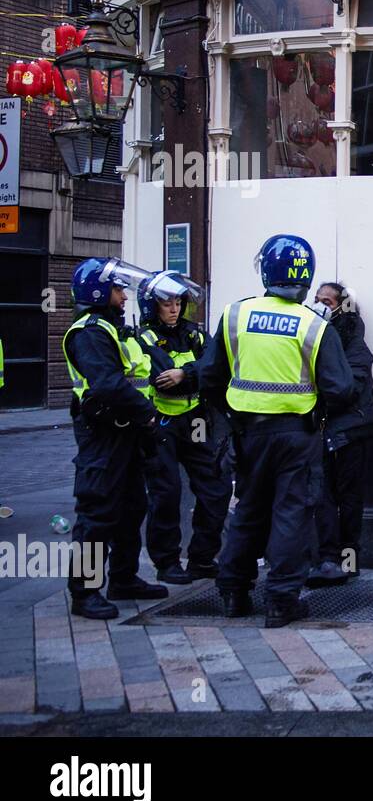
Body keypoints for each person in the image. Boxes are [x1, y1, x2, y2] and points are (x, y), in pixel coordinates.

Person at [197, 234, 356, 628]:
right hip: (297, 435)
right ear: (305, 277)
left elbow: (208, 375)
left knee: (248, 508)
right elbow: (342, 389)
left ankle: (233, 592)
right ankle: (281, 600)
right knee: (292, 514)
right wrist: (315, 409)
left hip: (246, 433)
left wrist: (232, 418)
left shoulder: (234, 315)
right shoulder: (315, 326)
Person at [61, 257, 169, 619]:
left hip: (126, 434)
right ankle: (85, 592)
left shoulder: (116, 329)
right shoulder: (90, 332)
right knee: (97, 512)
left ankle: (123, 578)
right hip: (103, 434)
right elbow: (108, 384)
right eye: (118, 289)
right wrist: (147, 413)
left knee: (130, 507)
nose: (124, 296)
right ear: (99, 291)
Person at [135, 270, 231, 585]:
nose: (174, 308)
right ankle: (167, 562)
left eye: (178, 301)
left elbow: (216, 368)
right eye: (167, 303)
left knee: (215, 488)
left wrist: (186, 374)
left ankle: (202, 558)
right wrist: (192, 374)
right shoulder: (143, 338)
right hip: (160, 423)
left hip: (196, 419)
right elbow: (165, 381)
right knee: (166, 493)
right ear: (152, 306)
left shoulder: (196, 335)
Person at [307, 282, 373, 587]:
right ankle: (326, 559)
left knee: (348, 497)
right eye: (317, 299)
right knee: (322, 496)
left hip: (349, 431)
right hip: (319, 430)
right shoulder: (311, 337)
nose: (320, 305)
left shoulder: (355, 345)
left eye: (327, 301)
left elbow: (349, 388)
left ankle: (348, 561)